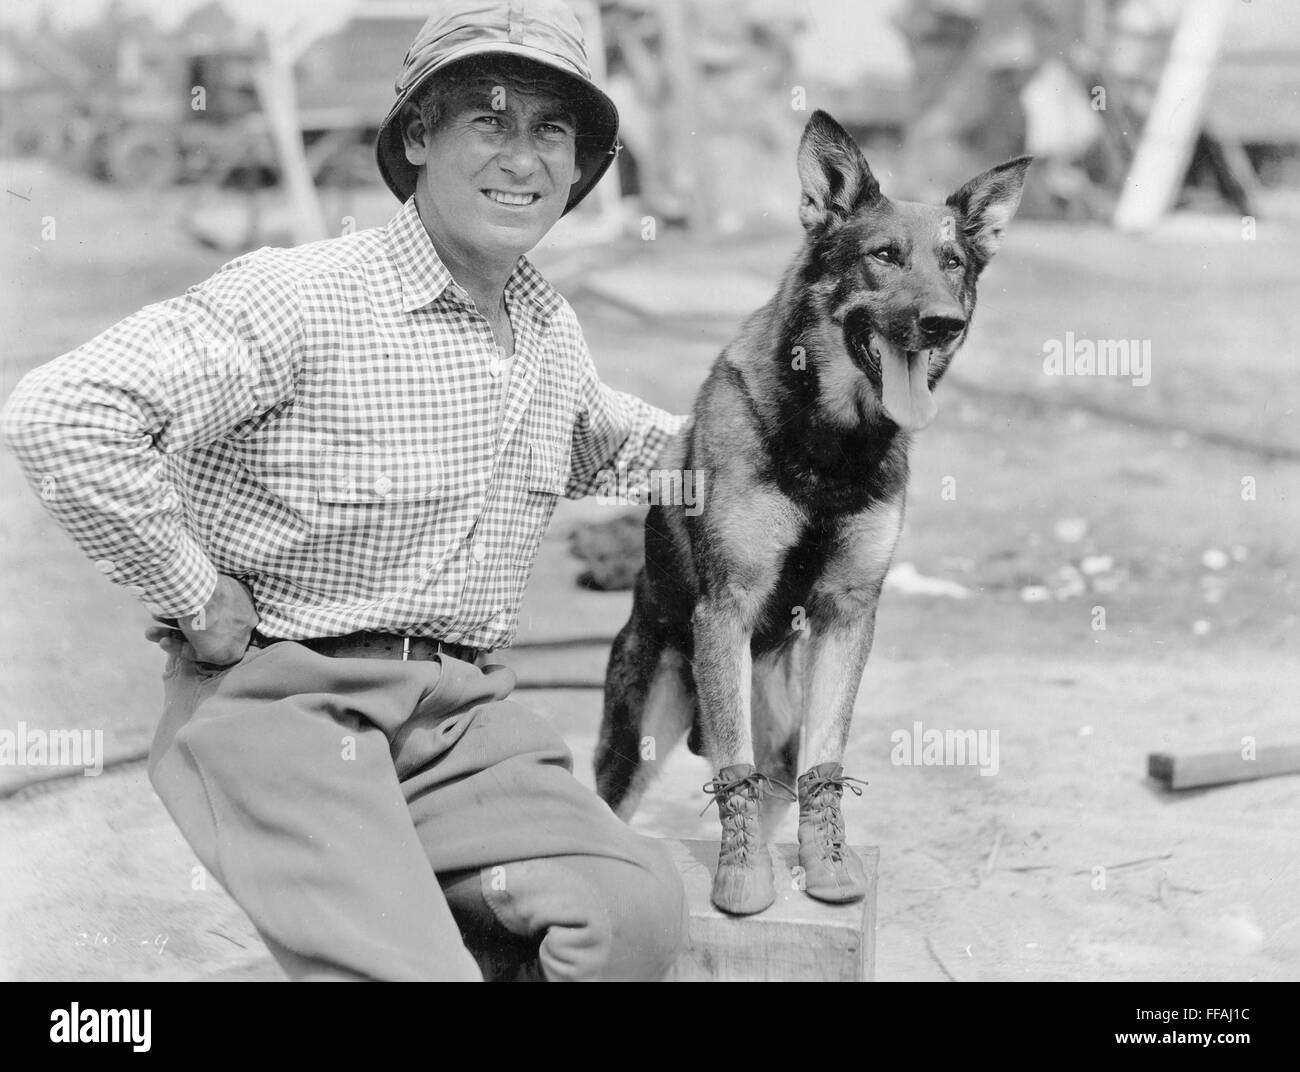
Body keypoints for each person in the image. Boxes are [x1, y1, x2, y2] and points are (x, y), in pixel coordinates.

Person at [1, 0, 689, 982]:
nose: (524, 157)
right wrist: (195, 595)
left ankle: (440, 907)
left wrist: (791, 448)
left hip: (459, 715)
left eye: (552, 130)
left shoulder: (545, 328)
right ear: (417, 136)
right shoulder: (302, 296)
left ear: (579, 168)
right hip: (287, 705)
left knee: (634, 915)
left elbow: (620, 444)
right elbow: (66, 412)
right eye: (489, 121)